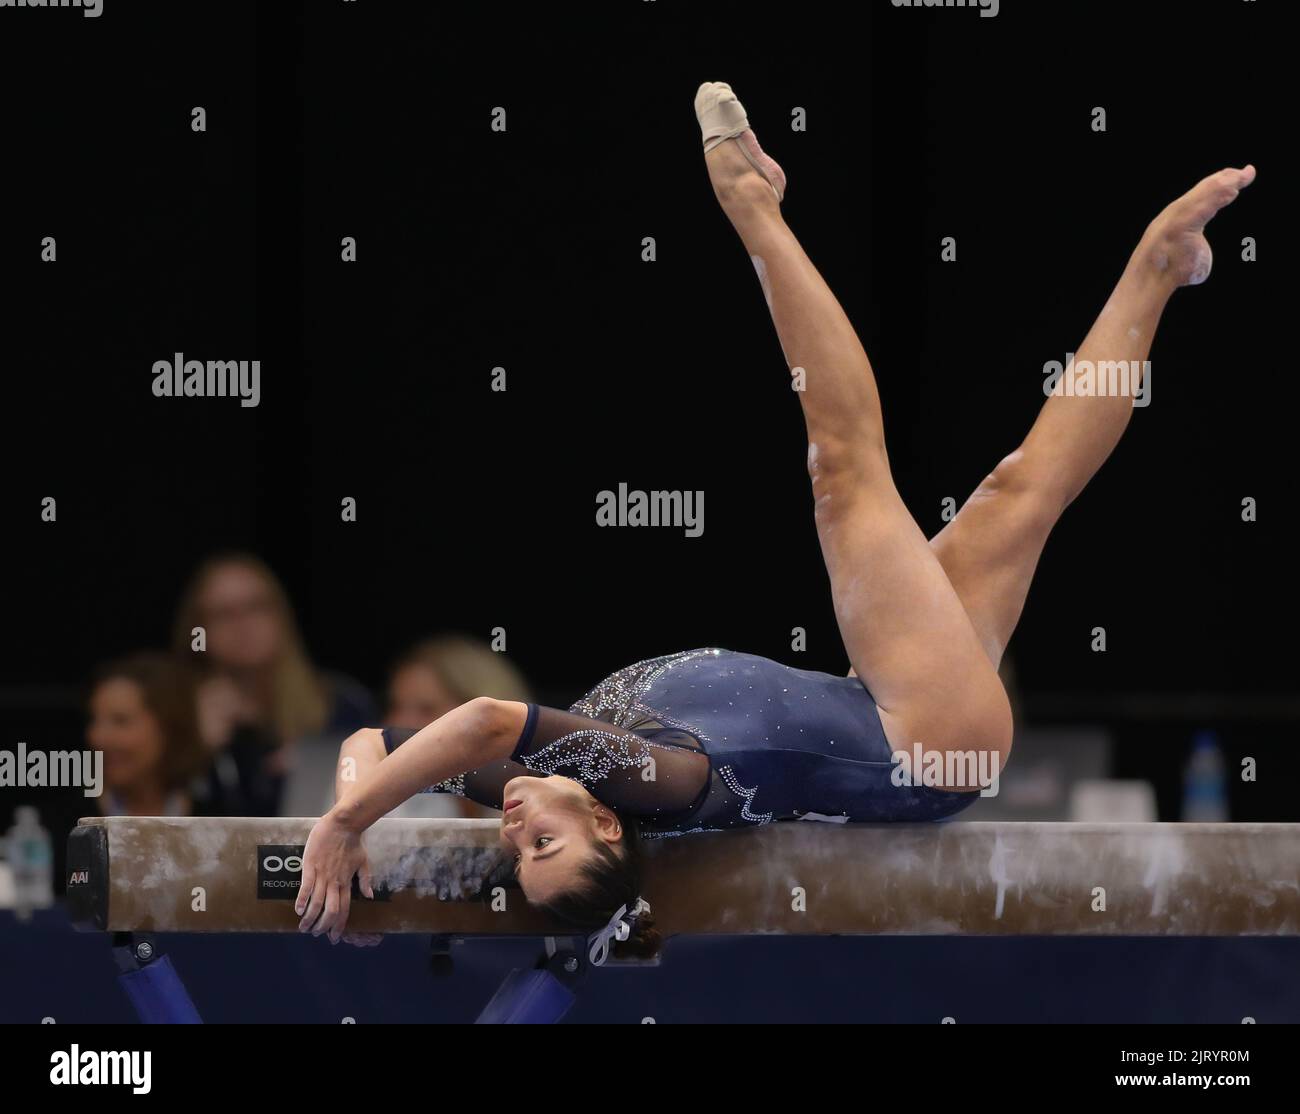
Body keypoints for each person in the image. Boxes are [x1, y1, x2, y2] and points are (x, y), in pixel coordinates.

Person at [296, 82, 1254, 959]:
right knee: (843, 468)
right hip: (919, 739)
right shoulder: (642, 780)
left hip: (905, 733)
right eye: (542, 840)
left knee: (1019, 492)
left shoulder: (519, 778)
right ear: (608, 826)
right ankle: (756, 211)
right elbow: (482, 717)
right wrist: (345, 829)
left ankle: (1158, 271)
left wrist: (355, 805)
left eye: (519, 852)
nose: (514, 829)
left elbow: (377, 744)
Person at [173, 552, 376, 814]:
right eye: (223, 614)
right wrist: (197, 749)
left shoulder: (342, 703)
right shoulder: (174, 710)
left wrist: (314, 764)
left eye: (256, 607)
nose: (242, 625)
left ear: (281, 616)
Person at [87, 652, 241, 816]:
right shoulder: (66, 819)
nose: (97, 737)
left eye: (120, 721)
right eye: (95, 720)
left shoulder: (215, 819)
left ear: (169, 728)